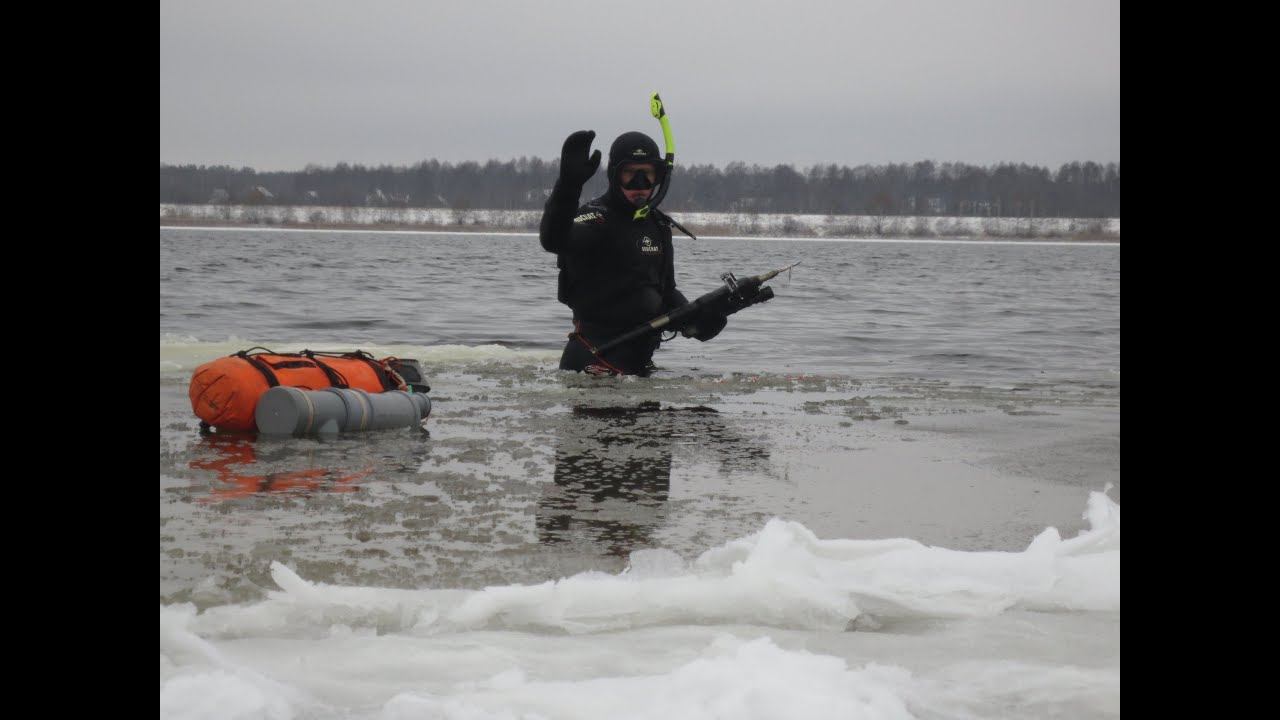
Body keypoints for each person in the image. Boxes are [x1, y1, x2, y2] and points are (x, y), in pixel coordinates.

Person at [539, 129, 727, 376]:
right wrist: (568, 187)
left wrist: (701, 318)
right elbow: (554, 240)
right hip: (593, 361)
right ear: (614, 175)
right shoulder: (596, 219)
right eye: (630, 174)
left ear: (659, 176)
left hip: (639, 365)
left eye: (647, 174)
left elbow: (665, 292)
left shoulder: (658, 226)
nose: (640, 184)